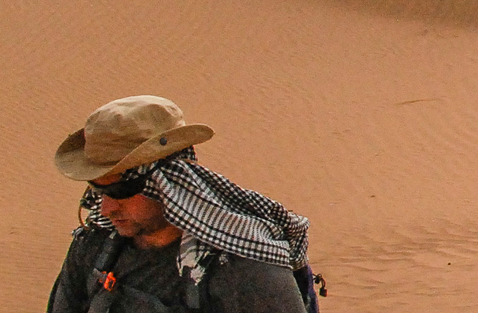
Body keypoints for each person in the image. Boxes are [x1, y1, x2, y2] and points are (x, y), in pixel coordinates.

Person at [48, 95, 313, 313]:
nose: (106, 209)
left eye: (120, 190)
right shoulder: (94, 248)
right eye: (97, 189)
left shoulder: (242, 269)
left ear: (168, 182)